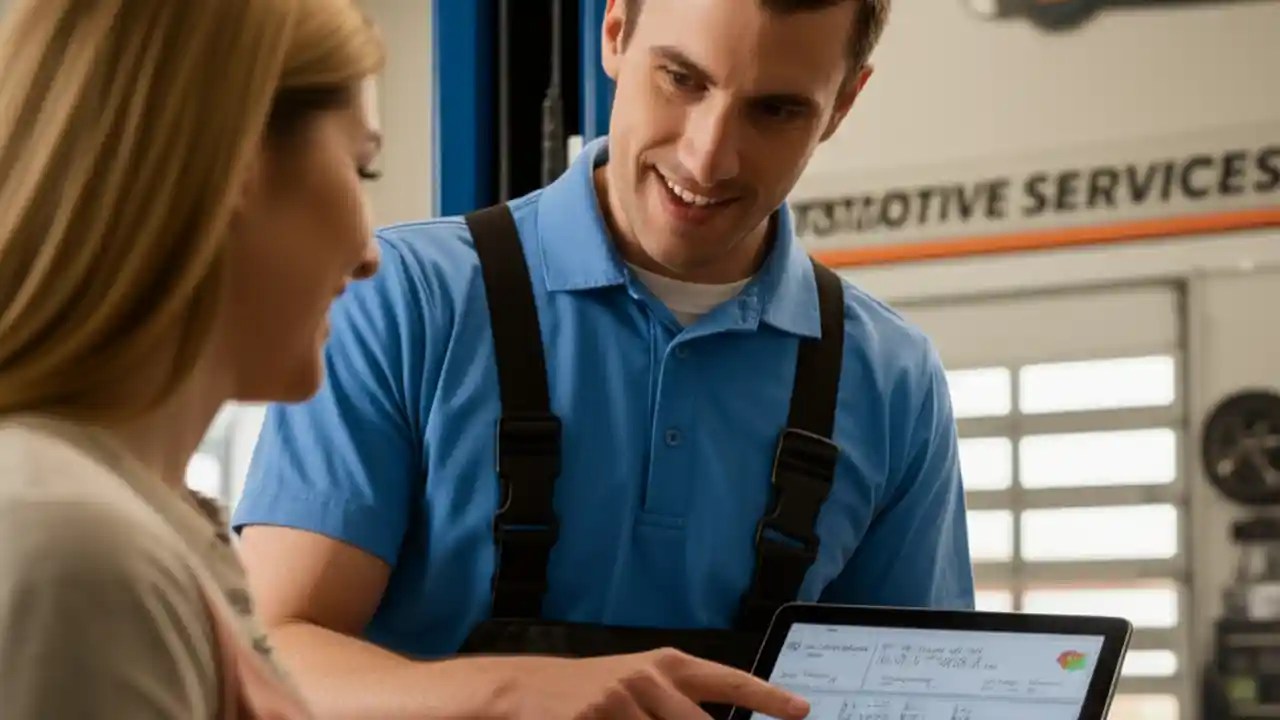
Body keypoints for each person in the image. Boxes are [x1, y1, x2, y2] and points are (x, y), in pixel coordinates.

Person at [233, 0, 974, 718]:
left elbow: (911, 693)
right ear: (615, 30)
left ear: (843, 103)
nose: (708, 156)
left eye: (775, 110)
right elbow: (266, 660)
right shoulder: (404, 299)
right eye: (681, 80)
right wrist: (511, 694)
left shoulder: (891, 380)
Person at [0, 0, 383, 716]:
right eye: (362, 169)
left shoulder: (135, 526)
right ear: (236, 158)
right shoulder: (76, 549)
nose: (369, 255)